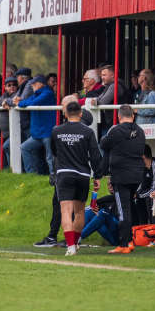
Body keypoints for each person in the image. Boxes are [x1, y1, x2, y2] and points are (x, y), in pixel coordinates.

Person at [49, 100, 102, 256]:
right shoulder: (88, 132)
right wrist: (97, 176)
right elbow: (95, 155)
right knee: (79, 211)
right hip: (83, 175)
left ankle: (70, 246)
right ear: (80, 114)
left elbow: (54, 151)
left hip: (64, 173)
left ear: (65, 114)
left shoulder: (56, 131)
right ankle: (76, 242)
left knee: (66, 210)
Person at [98, 104, 144, 254]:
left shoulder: (116, 130)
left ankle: (124, 244)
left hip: (121, 176)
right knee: (129, 206)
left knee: (123, 210)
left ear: (119, 117)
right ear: (133, 116)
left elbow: (103, 144)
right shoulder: (140, 131)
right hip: (137, 175)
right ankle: (130, 240)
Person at [15, 75, 56, 174]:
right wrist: (21, 102)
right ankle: (31, 174)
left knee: (50, 157)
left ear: (40, 84)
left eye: (34, 83)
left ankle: (54, 177)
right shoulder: (37, 93)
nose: (32, 85)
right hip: (37, 132)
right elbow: (26, 102)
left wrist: (21, 103)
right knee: (24, 147)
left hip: (47, 131)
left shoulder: (48, 93)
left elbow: (32, 103)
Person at [134, 145, 155, 224]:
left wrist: (137, 195)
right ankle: (143, 229)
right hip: (154, 194)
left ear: (143, 156)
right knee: (138, 201)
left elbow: (154, 188)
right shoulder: (143, 167)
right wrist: (135, 194)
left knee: (151, 198)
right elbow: (143, 186)